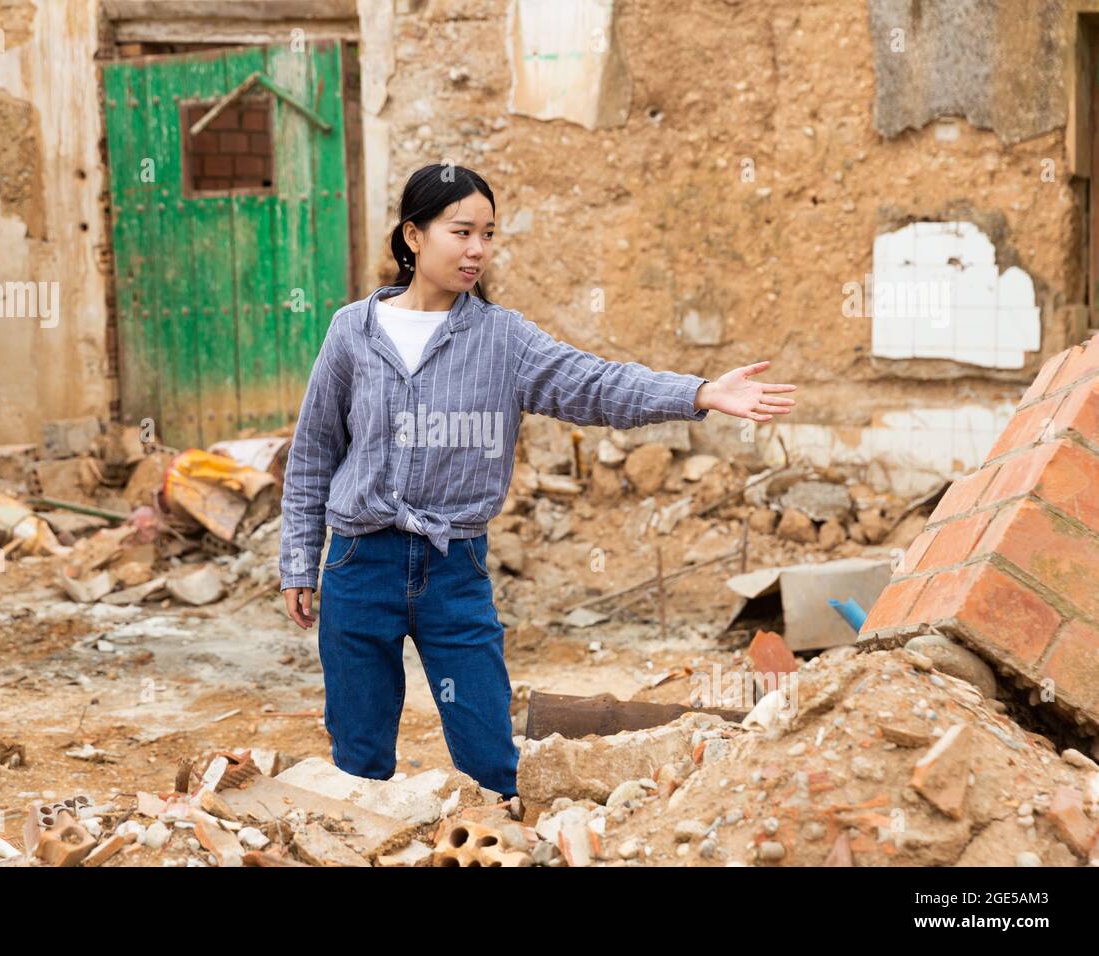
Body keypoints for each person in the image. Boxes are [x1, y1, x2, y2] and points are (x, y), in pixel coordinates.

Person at [279, 163, 796, 799]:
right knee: (358, 761)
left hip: (453, 567)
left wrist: (699, 392)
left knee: (492, 761)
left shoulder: (503, 339)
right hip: (359, 564)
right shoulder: (350, 331)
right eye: (461, 231)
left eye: (488, 235)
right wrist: (300, 563)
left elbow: (597, 384)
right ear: (413, 236)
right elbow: (313, 456)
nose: (478, 250)